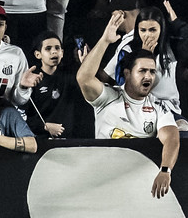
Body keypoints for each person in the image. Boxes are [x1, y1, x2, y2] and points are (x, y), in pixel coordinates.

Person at [76, 12, 182, 192]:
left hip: (136, 181)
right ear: (127, 74)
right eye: (142, 71)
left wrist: (165, 170)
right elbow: (84, 78)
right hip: (103, 178)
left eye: (152, 71)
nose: (148, 76)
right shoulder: (108, 98)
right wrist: (105, 40)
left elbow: (171, 137)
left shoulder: (158, 106)